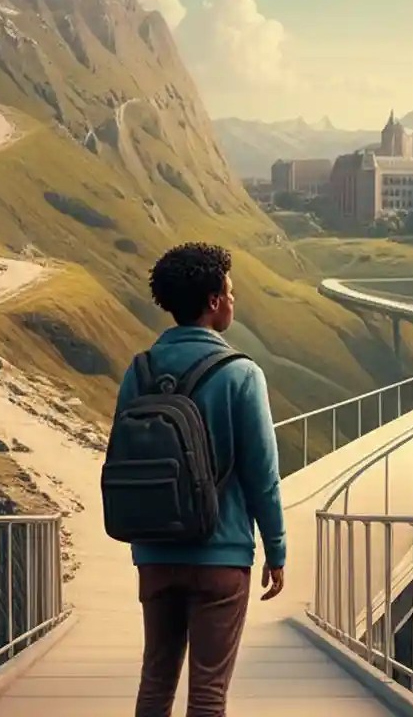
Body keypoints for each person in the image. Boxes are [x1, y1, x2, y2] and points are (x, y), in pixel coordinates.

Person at [112, 242, 287, 717]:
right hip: (221, 555)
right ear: (213, 302)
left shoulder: (140, 370)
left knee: (155, 681)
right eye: (229, 292)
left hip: (154, 553)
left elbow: (124, 456)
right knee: (208, 692)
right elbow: (262, 476)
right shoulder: (241, 374)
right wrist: (276, 550)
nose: (233, 300)